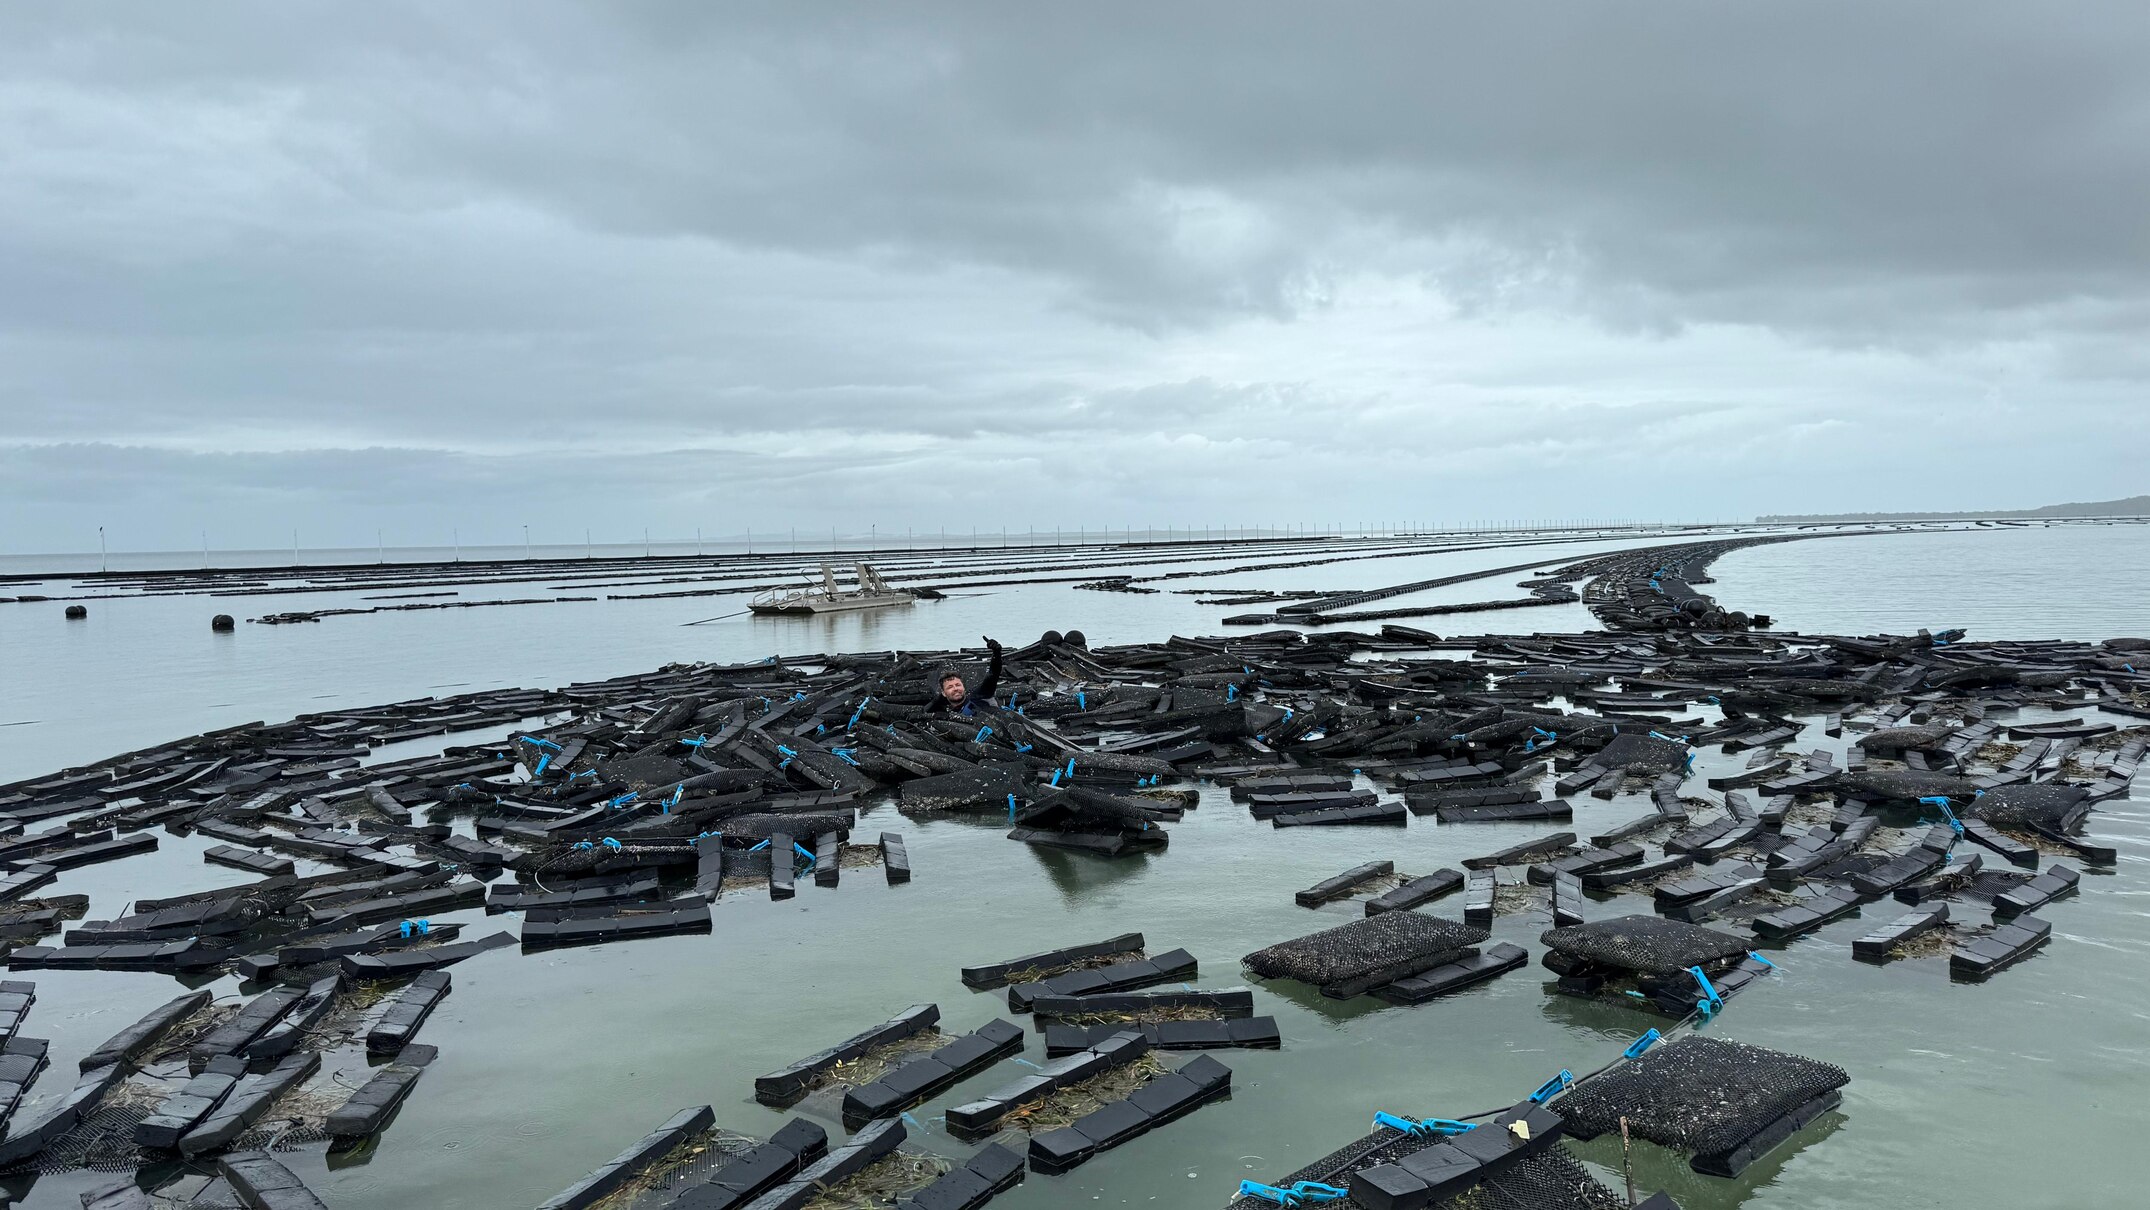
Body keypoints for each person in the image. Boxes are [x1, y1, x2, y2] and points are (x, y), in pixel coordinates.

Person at [929, 636, 1002, 716]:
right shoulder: (944, 710)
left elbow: (993, 675)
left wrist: (996, 653)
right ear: (943, 693)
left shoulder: (978, 696)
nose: (955, 689)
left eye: (958, 685)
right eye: (950, 687)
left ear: (964, 687)